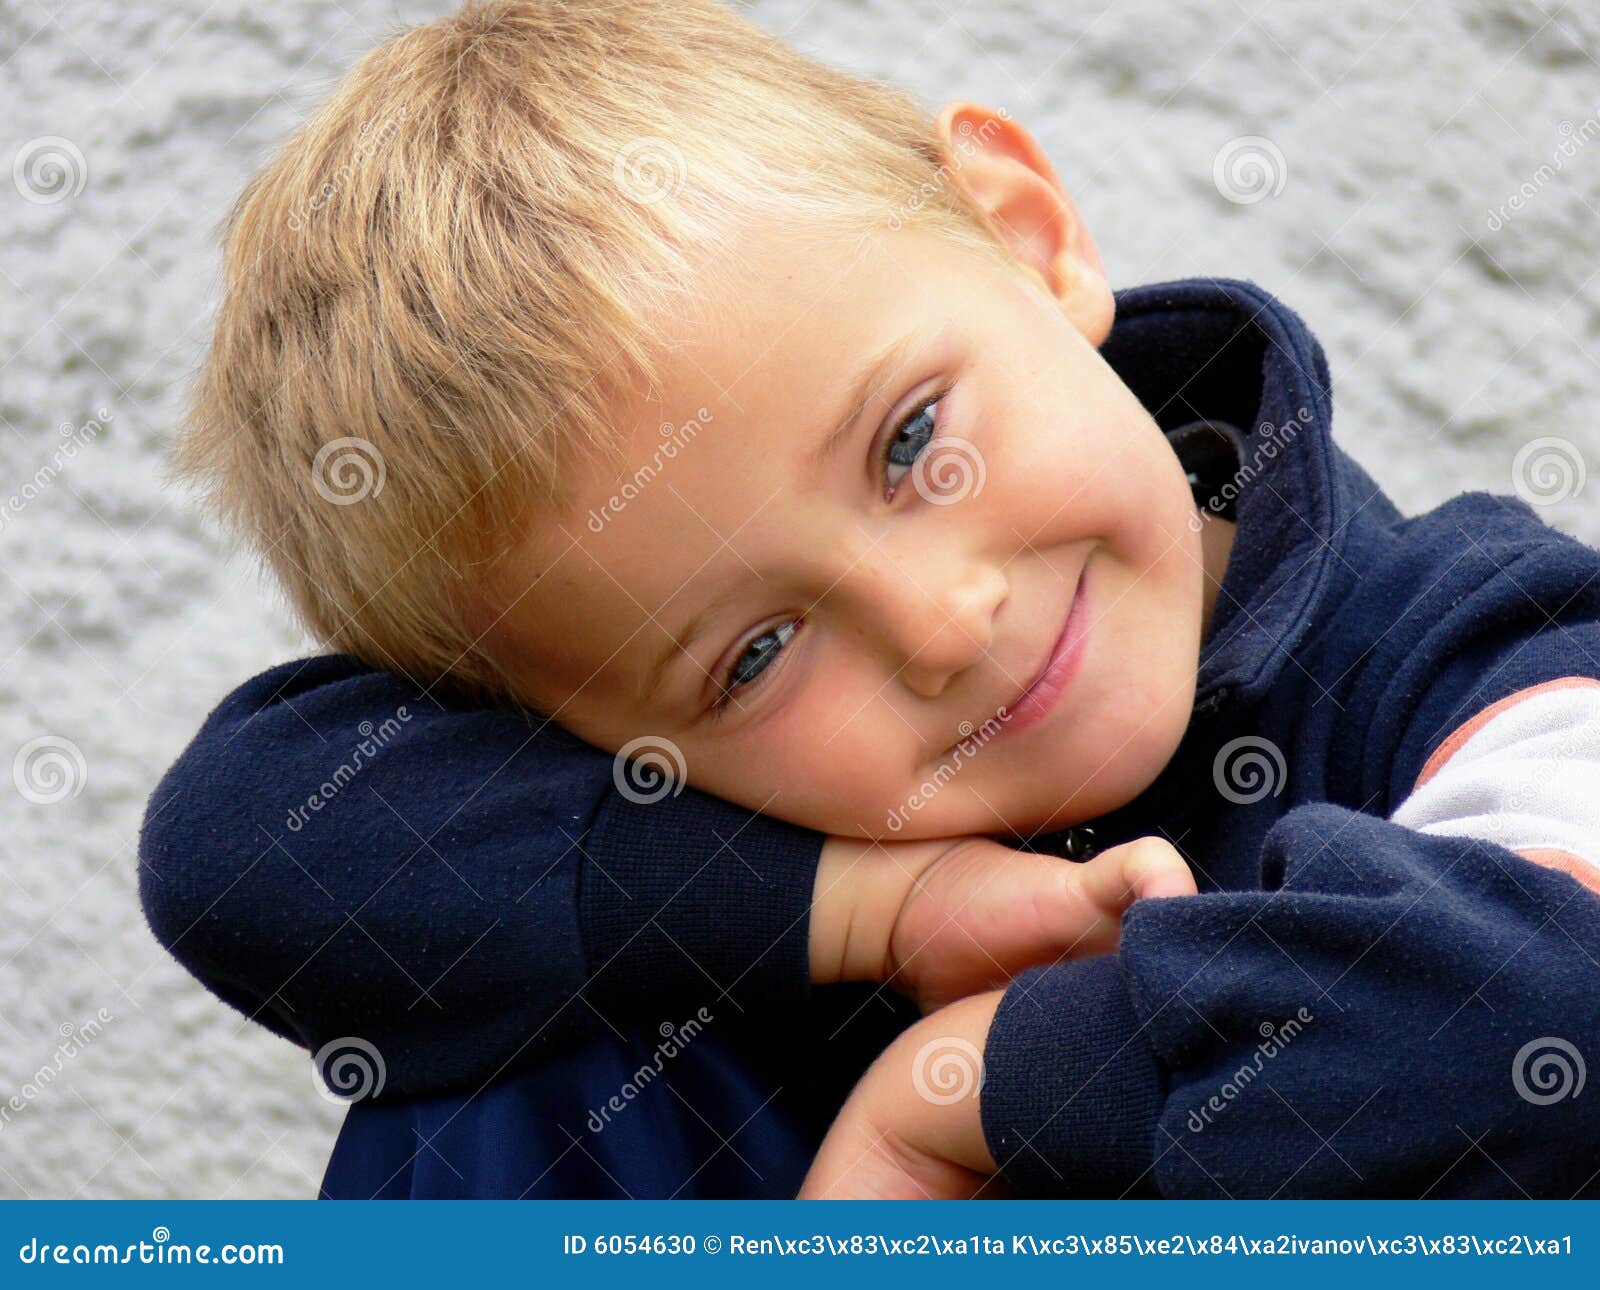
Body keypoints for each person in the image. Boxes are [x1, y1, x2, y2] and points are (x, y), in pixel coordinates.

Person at [141, 0, 1600, 1198]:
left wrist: (955, 1092)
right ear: (579, 737)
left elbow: (1554, 998)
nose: (941, 622)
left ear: (1028, 235)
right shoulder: (749, 831)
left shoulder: (1473, 641)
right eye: (757, 653)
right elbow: (236, 840)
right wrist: (894, 906)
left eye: (910, 443)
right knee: (526, 1079)